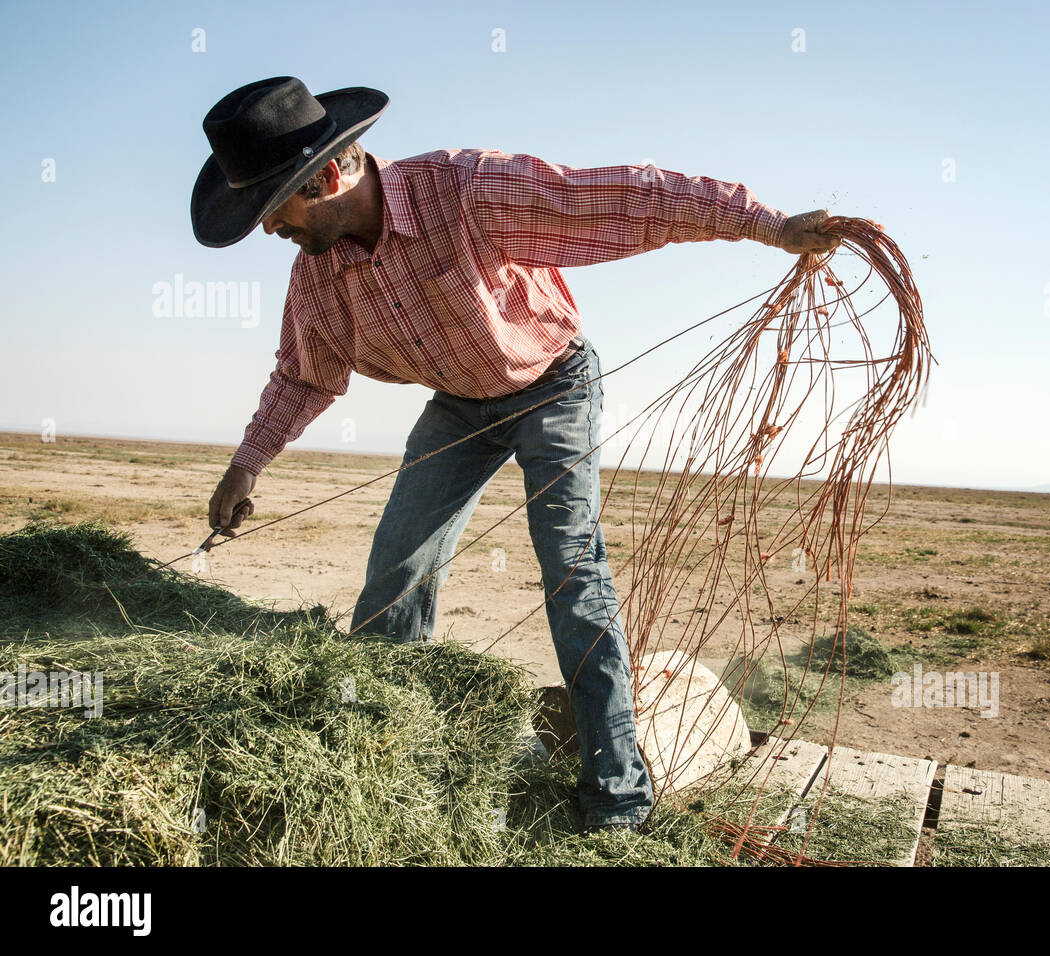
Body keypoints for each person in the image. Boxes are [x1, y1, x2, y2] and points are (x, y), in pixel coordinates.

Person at [193, 76, 839, 832]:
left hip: (551, 381)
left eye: (277, 209)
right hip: (457, 406)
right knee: (398, 566)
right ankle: (375, 750)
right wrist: (246, 466)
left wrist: (769, 225)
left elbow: (628, 198)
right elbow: (302, 376)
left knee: (571, 567)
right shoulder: (317, 274)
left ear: (331, 175)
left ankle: (618, 795)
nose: (272, 230)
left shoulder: (467, 189)